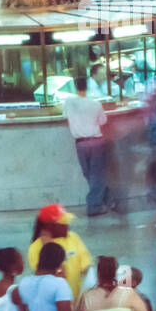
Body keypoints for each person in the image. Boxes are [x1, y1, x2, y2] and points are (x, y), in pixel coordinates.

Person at [62, 75, 112, 217]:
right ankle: (102, 201)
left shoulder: (68, 102)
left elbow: (64, 114)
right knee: (96, 175)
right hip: (96, 142)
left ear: (75, 87)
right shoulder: (95, 104)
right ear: (87, 87)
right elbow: (103, 121)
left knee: (89, 174)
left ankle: (97, 203)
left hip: (81, 144)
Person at [28, 205, 92, 300]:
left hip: (76, 298)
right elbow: (46, 277)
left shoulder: (73, 237)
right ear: (49, 227)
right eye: (63, 223)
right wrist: (48, 246)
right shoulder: (36, 247)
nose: (67, 226)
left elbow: (86, 265)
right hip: (55, 301)